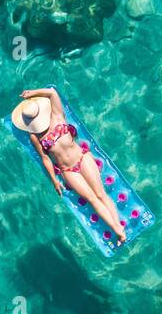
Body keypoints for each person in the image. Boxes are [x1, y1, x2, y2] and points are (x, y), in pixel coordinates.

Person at [11, 86, 126, 242]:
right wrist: (54, 180)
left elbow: (52, 92)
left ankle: (119, 230)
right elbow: (45, 158)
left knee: (100, 194)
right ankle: (118, 230)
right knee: (92, 199)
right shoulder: (34, 137)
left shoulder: (57, 115)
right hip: (68, 170)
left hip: (82, 158)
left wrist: (33, 93)